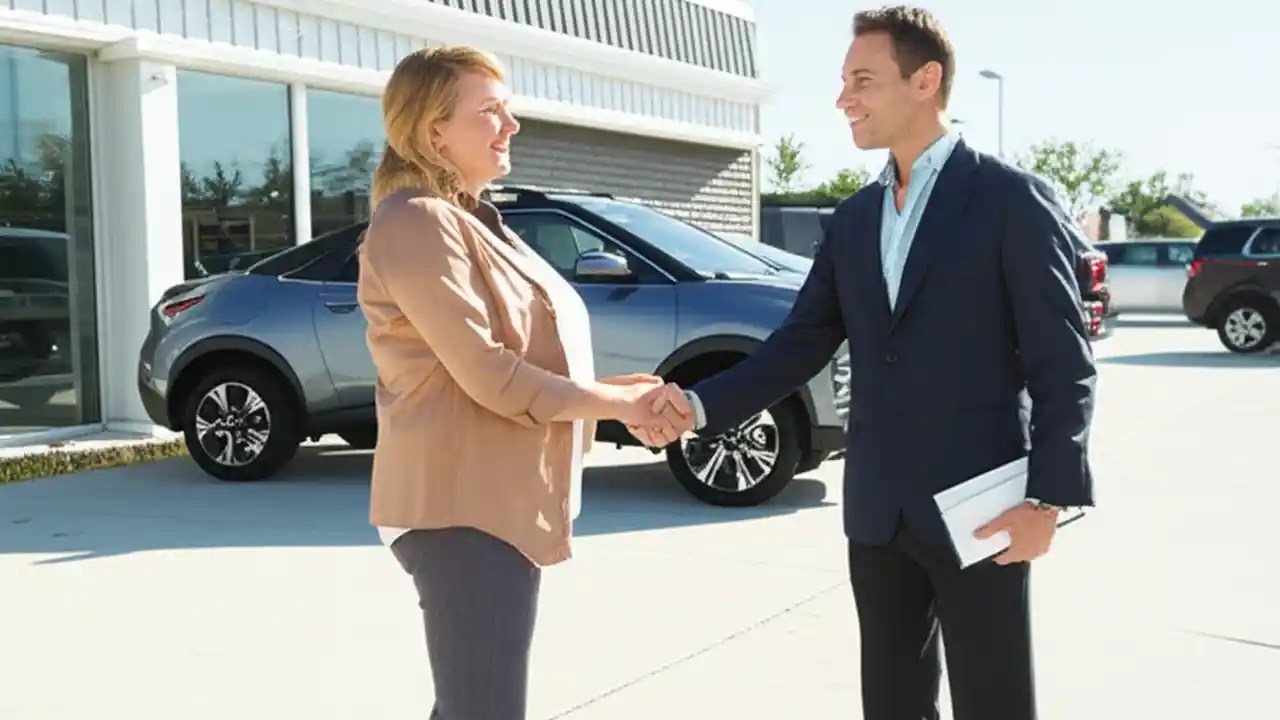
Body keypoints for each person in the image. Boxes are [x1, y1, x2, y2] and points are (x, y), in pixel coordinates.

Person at [635, 6, 1097, 720]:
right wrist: (696, 407)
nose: (843, 98)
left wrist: (1048, 498)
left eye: (862, 80)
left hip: (984, 508)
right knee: (890, 706)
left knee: (995, 703)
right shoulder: (853, 220)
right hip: (879, 512)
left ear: (926, 80)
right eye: (844, 81)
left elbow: (1061, 361)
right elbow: (799, 344)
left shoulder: (1010, 200)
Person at [357, 46, 683, 720]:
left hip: (491, 503)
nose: (511, 125)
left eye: (508, 110)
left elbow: (526, 358)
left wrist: (624, 391)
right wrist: (620, 405)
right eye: (490, 112)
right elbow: (493, 377)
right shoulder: (418, 221)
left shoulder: (475, 221)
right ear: (433, 131)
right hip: (461, 508)